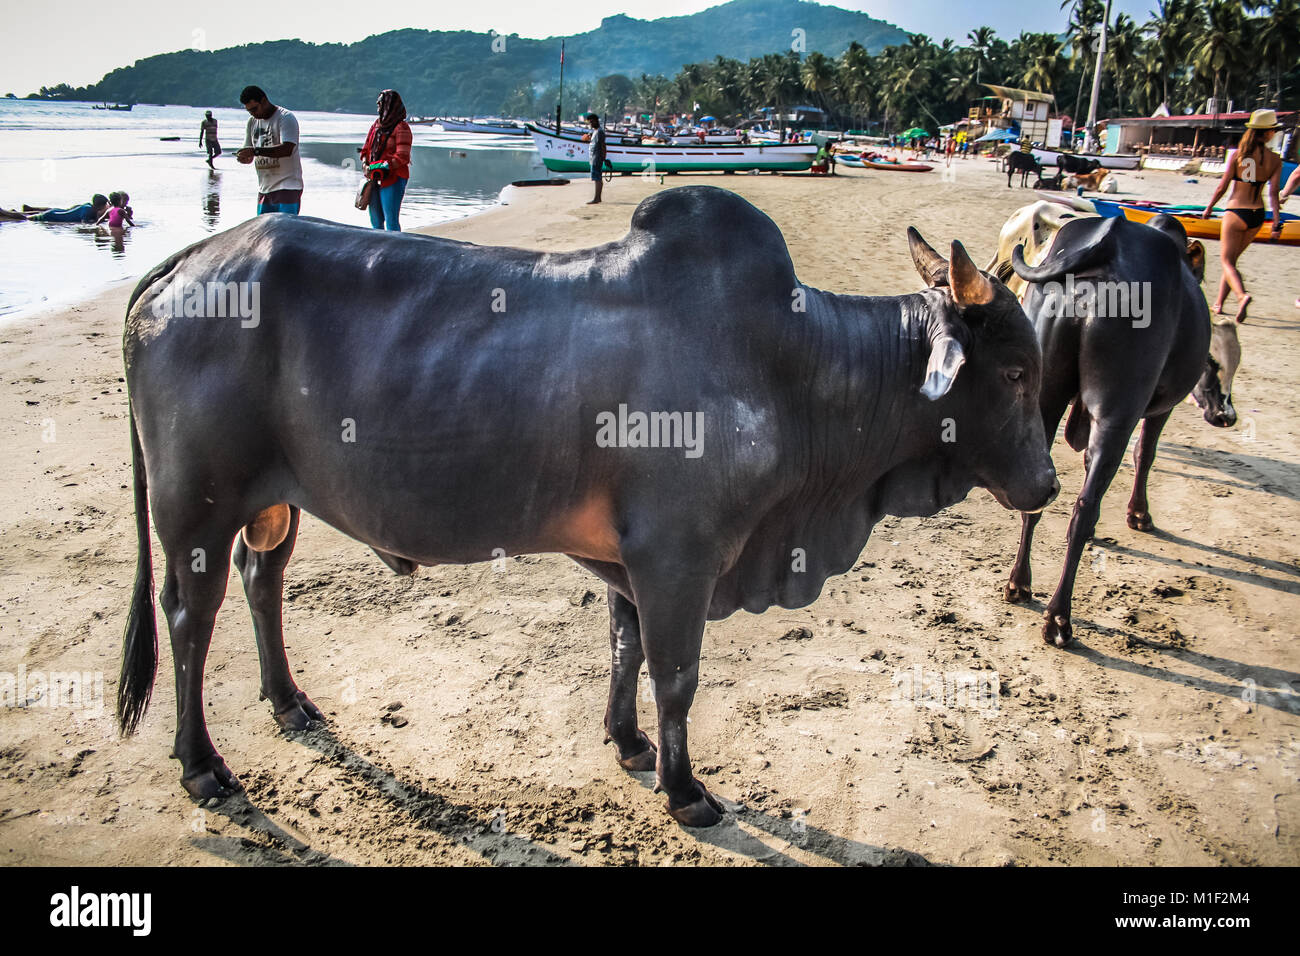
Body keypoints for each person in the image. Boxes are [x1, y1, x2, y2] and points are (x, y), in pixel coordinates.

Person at [1201, 109, 1284, 323]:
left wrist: (1209, 208)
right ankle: (1219, 304)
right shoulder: (1275, 160)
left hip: (1236, 210)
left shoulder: (1237, 155)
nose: (1274, 132)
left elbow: (1222, 186)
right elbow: (1274, 193)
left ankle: (1241, 296)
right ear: (1267, 133)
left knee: (1227, 262)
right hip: (1257, 214)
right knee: (1232, 261)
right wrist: (1276, 222)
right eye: (1274, 130)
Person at [236, 86, 303, 215]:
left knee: (286, 231)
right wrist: (244, 157)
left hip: (287, 186)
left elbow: (287, 149)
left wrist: (255, 152)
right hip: (264, 189)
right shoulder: (252, 122)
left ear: (264, 101)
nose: (254, 114)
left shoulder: (285, 117)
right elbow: (249, 152)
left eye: (255, 109)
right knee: (264, 233)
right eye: (250, 111)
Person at [359, 89, 412, 231]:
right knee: (375, 221)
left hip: (393, 178)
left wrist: (379, 166)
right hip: (373, 177)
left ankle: (395, 249)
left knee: (391, 220)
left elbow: (402, 156)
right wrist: (366, 165)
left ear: (389, 105)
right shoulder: (376, 125)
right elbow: (365, 149)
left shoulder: (401, 128)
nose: (378, 106)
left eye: (380, 103)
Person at [0, 194, 109, 222]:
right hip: (52, 216)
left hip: (55, 212)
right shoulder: (88, 211)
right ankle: (4, 212)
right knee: (26, 219)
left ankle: (12, 213)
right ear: (101, 206)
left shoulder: (88, 206)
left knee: (28, 217)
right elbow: (84, 223)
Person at [582, 112, 607, 205]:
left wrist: (604, 157)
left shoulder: (599, 132)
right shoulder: (595, 132)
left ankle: (597, 198)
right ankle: (597, 197)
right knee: (596, 178)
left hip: (597, 157)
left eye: (592, 122)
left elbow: (602, 145)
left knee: (597, 178)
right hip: (594, 157)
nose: (591, 124)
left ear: (596, 121)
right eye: (590, 122)